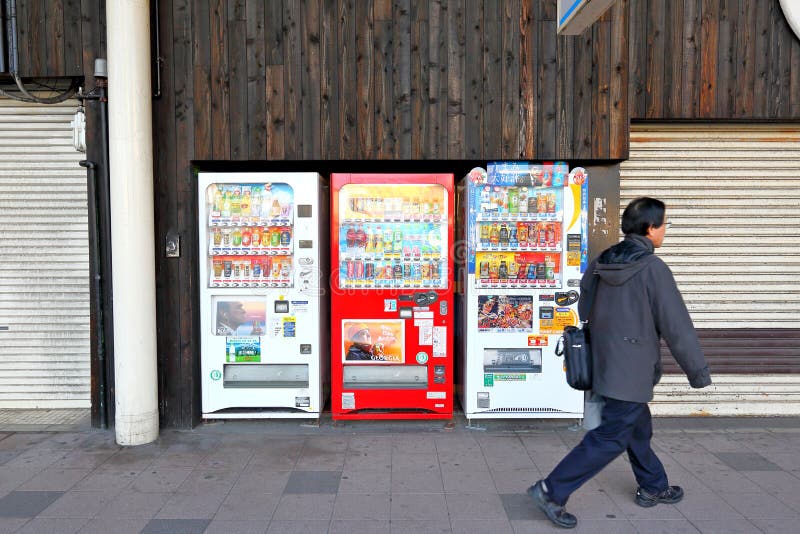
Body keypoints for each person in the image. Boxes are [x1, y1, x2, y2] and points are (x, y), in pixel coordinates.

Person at [528, 197, 712, 529]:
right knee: (610, 437)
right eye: (664, 225)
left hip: (604, 365)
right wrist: (697, 372)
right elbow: (677, 326)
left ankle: (654, 486)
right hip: (631, 370)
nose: (665, 231)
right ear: (651, 228)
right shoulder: (653, 268)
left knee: (638, 429)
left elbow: (584, 309)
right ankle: (550, 491)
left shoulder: (602, 261)